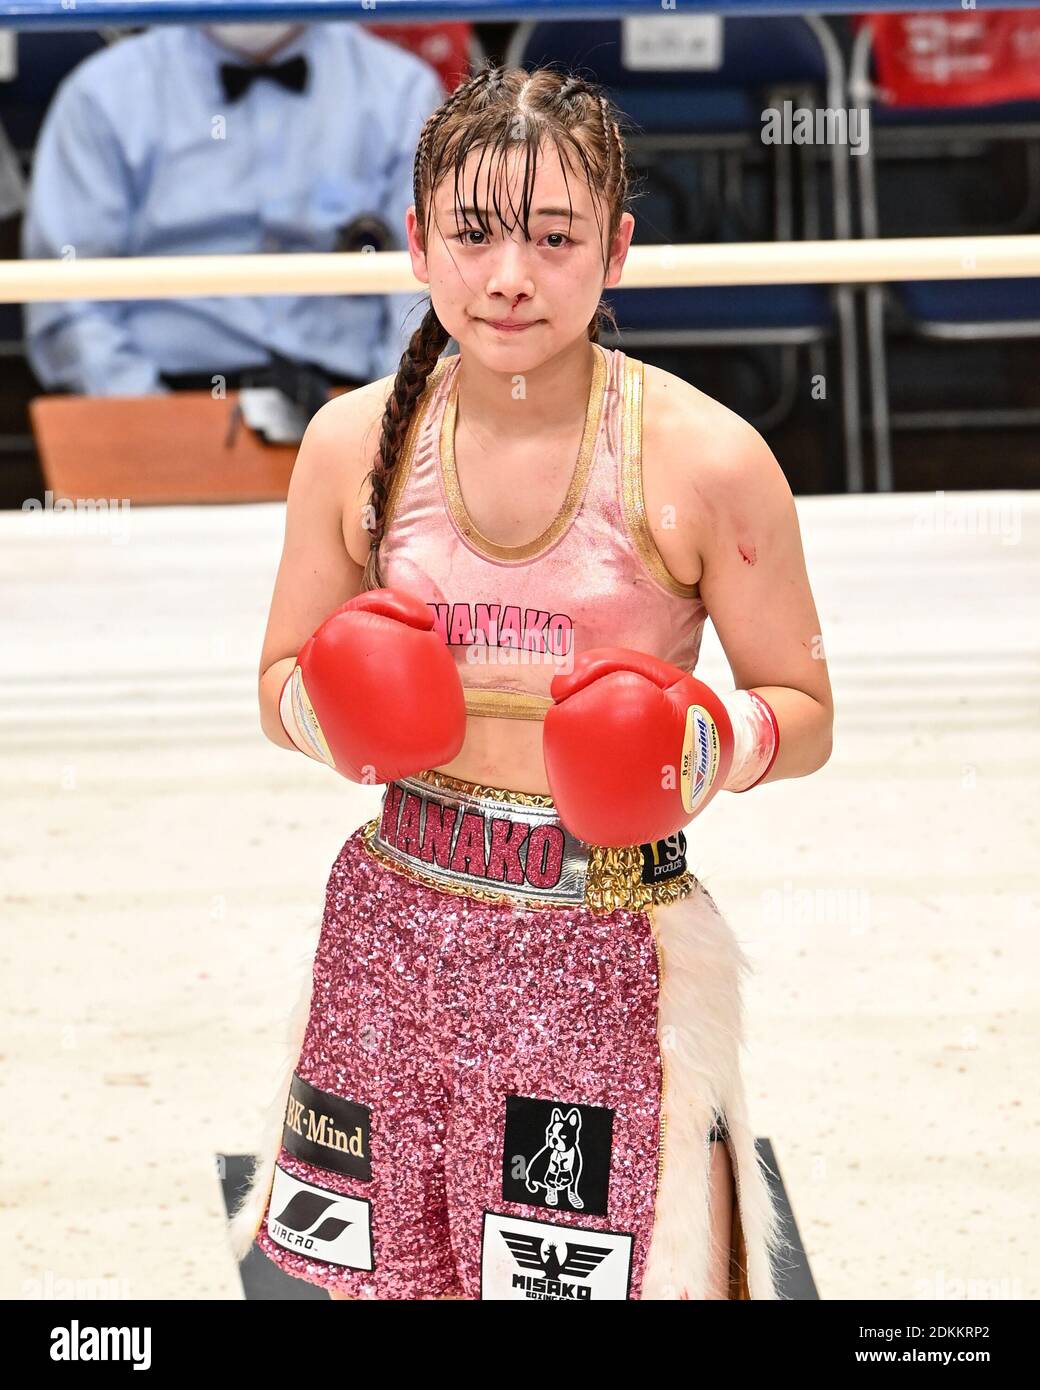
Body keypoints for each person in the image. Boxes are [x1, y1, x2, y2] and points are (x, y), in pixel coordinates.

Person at [232, 63, 833, 1301]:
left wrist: (702, 740)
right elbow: (278, 678)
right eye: (472, 233)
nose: (509, 274)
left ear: (614, 250)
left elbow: (806, 705)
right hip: (393, 927)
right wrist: (335, 701)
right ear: (416, 244)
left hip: (602, 940)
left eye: (552, 237)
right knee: (370, 1282)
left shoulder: (706, 457)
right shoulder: (353, 442)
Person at [20, 21, 444, 396]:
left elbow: (431, 278)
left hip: (356, 398)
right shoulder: (101, 95)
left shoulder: (402, 91)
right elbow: (69, 300)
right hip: (161, 394)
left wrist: (392, 409)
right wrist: (146, 419)